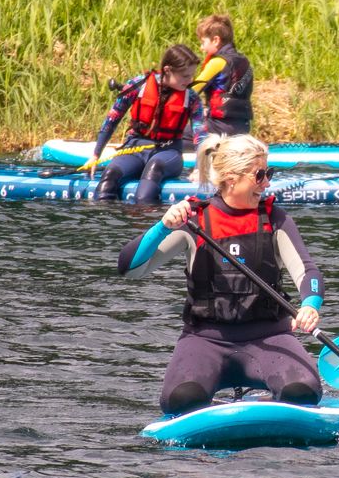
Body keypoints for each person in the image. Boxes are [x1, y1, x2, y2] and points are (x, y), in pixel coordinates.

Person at [117, 133, 325, 414]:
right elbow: (129, 269)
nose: (267, 183)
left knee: (303, 393)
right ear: (230, 177)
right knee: (180, 401)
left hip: (270, 335)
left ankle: (272, 401)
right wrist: (162, 226)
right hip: (206, 339)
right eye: (260, 175)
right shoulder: (194, 220)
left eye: (269, 173)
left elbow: (307, 272)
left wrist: (310, 305)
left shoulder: (275, 219)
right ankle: (210, 403)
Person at [87, 44, 201, 203]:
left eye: (192, 75)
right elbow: (112, 118)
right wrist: (95, 155)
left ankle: (146, 222)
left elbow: (200, 135)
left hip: (168, 152)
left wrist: (198, 168)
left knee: (153, 171)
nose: (190, 80)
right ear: (167, 70)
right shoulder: (138, 85)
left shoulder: (192, 98)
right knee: (109, 176)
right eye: (185, 76)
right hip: (135, 148)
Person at [191, 14, 253, 137]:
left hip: (218, 127)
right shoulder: (244, 61)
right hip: (243, 127)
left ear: (216, 40)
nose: (201, 47)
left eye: (203, 42)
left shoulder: (217, 62)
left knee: (176, 133)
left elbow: (191, 92)